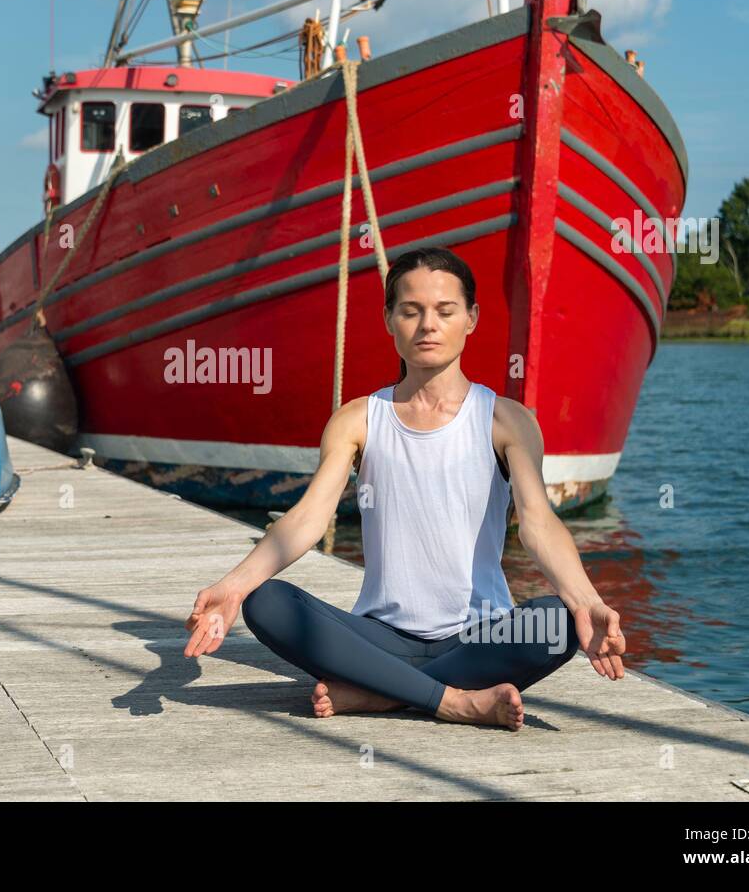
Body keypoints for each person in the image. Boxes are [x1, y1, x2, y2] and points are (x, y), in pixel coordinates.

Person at [183, 246, 626, 730]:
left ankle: (383, 693)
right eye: (410, 311)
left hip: (479, 635)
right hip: (380, 636)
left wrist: (587, 601)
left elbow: (538, 525)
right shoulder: (358, 419)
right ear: (389, 319)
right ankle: (453, 701)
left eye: (445, 311)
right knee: (266, 603)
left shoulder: (506, 420)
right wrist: (233, 585)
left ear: (472, 318)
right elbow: (307, 520)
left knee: (558, 621)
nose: (428, 325)